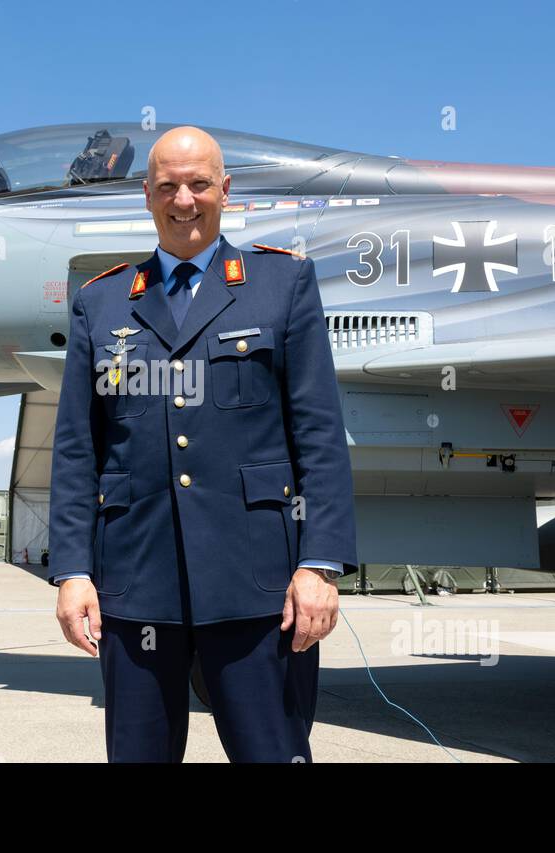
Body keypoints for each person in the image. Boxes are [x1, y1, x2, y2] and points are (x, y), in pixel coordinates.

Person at [47, 126, 358, 762]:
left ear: (225, 189)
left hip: (259, 588)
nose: (183, 200)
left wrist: (320, 566)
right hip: (136, 589)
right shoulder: (101, 303)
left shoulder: (282, 284)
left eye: (198, 184)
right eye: (168, 186)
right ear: (147, 195)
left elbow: (320, 437)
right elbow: (79, 451)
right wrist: (73, 573)